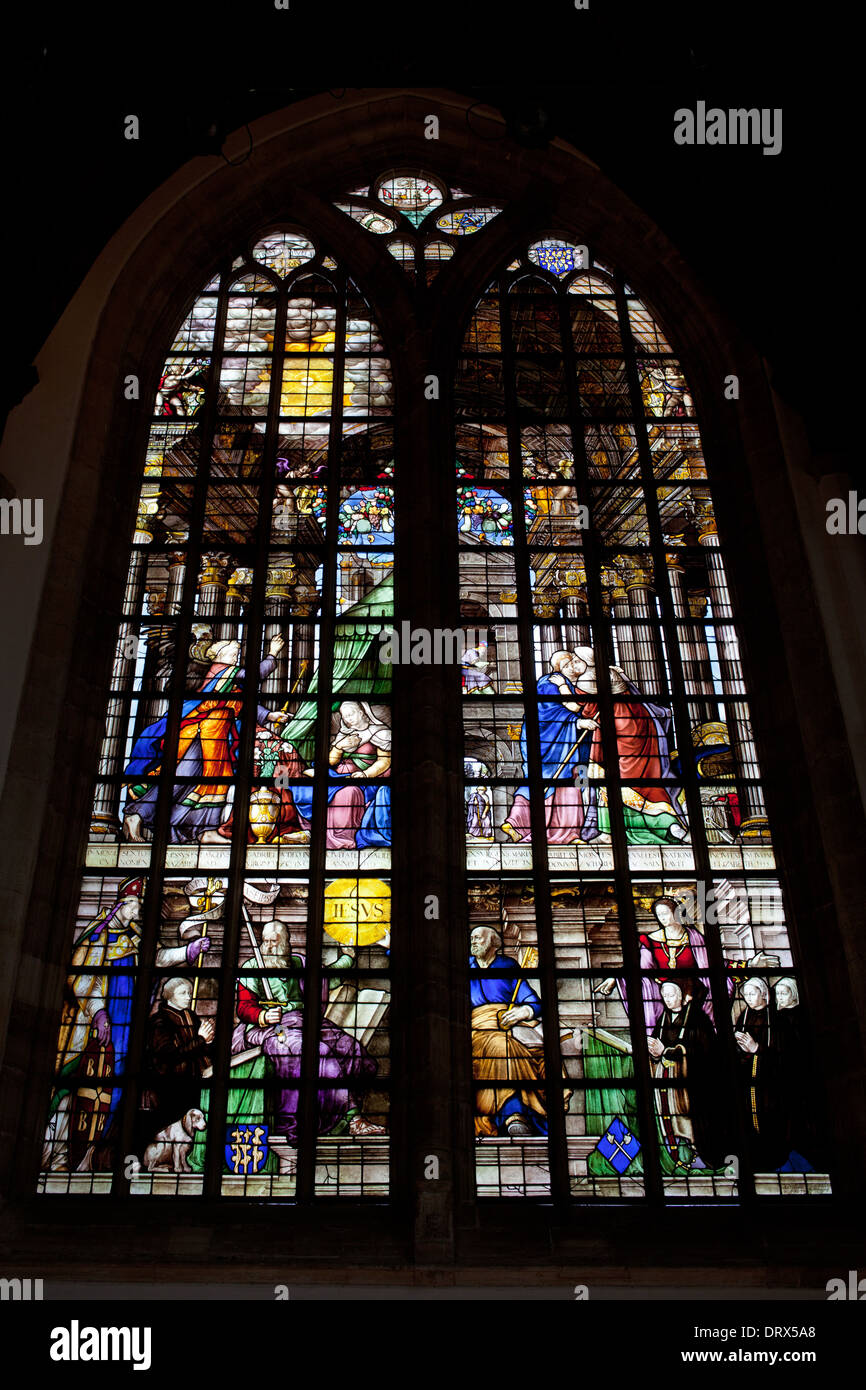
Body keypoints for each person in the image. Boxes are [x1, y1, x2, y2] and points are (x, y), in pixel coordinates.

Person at [43, 877, 209, 1171]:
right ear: (122, 903)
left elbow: (157, 957)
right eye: (135, 905)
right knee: (88, 1086)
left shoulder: (135, 936)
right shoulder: (99, 936)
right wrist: (98, 1012)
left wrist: (188, 952)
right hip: (103, 1026)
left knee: (121, 1087)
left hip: (129, 1024)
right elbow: (82, 979)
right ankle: (68, 1155)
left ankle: (99, 1155)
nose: (138, 911)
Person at [122, 635, 288, 844]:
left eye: (237, 655)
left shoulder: (228, 681)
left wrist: (270, 716)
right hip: (199, 735)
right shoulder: (221, 671)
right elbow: (253, 675)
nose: (236, 658)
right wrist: (272, 654)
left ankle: (201, 829)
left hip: (214, 737)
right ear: (219, 656)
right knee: (185, 778)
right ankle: (137, 815)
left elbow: (242, 703)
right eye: (233, 654)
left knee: (199, 781)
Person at [230, 920, 384, 1142]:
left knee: (351, 1049)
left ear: (286, 943)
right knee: (314, 1052)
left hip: (305, 1021)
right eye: (266, 942)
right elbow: (244, 1007)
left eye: (275, 942)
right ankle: (352, 1119)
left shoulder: (298, 963)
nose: (270, 947)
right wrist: (263, 1015)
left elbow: (326, 977)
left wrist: (347, 958)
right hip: (274, 1027)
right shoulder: (251, 968)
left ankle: (334, 1121)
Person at [501, 649, 599, 844]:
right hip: (550, 743)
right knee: (555, 782)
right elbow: (549, 713)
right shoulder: (551, 682)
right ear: (559, 668)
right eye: (568, 663)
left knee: (578, 781)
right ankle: (554, 831)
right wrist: (577, 722)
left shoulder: (571, 684)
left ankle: (572, 830)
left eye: (574, 662)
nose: (573, 665)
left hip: (569, 742)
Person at [469, 926, 547, 1137]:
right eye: (472, 938)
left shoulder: (508, 966)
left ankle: (514, 1116)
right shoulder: (463, 965)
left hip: (505, 1029)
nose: (473, 940)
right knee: (501, 1046)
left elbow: (534, 1002)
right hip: (471, 1031)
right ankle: (513, 1115)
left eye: (478, 937)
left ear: (493, 943)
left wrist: (523, 1011)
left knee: (505, 1045)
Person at [648, 980, 728, 1170]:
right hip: (668, 1085)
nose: (667, 999)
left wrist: (668, 1052)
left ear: (683, 997)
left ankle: (700, 1153)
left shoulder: (697, 1019)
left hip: (693, 1086)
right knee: (673, 1121)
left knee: (692, 1122)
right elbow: (658, 1044)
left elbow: (705, 1052)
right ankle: (677, 1154)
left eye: (671, 995)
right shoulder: (663, 1019)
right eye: (664, 995)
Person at [138, 978, 214, 1153]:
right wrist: (201, 1040)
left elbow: (199, 1050)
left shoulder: (191, 1017)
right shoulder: (160, 1022)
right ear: (169, 997)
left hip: (193, 1082)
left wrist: (209, 1041)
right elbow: (169, 1055)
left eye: (189, 993)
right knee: (172, 1132)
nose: (188, 997)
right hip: (169, 1087)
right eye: (183, 993)